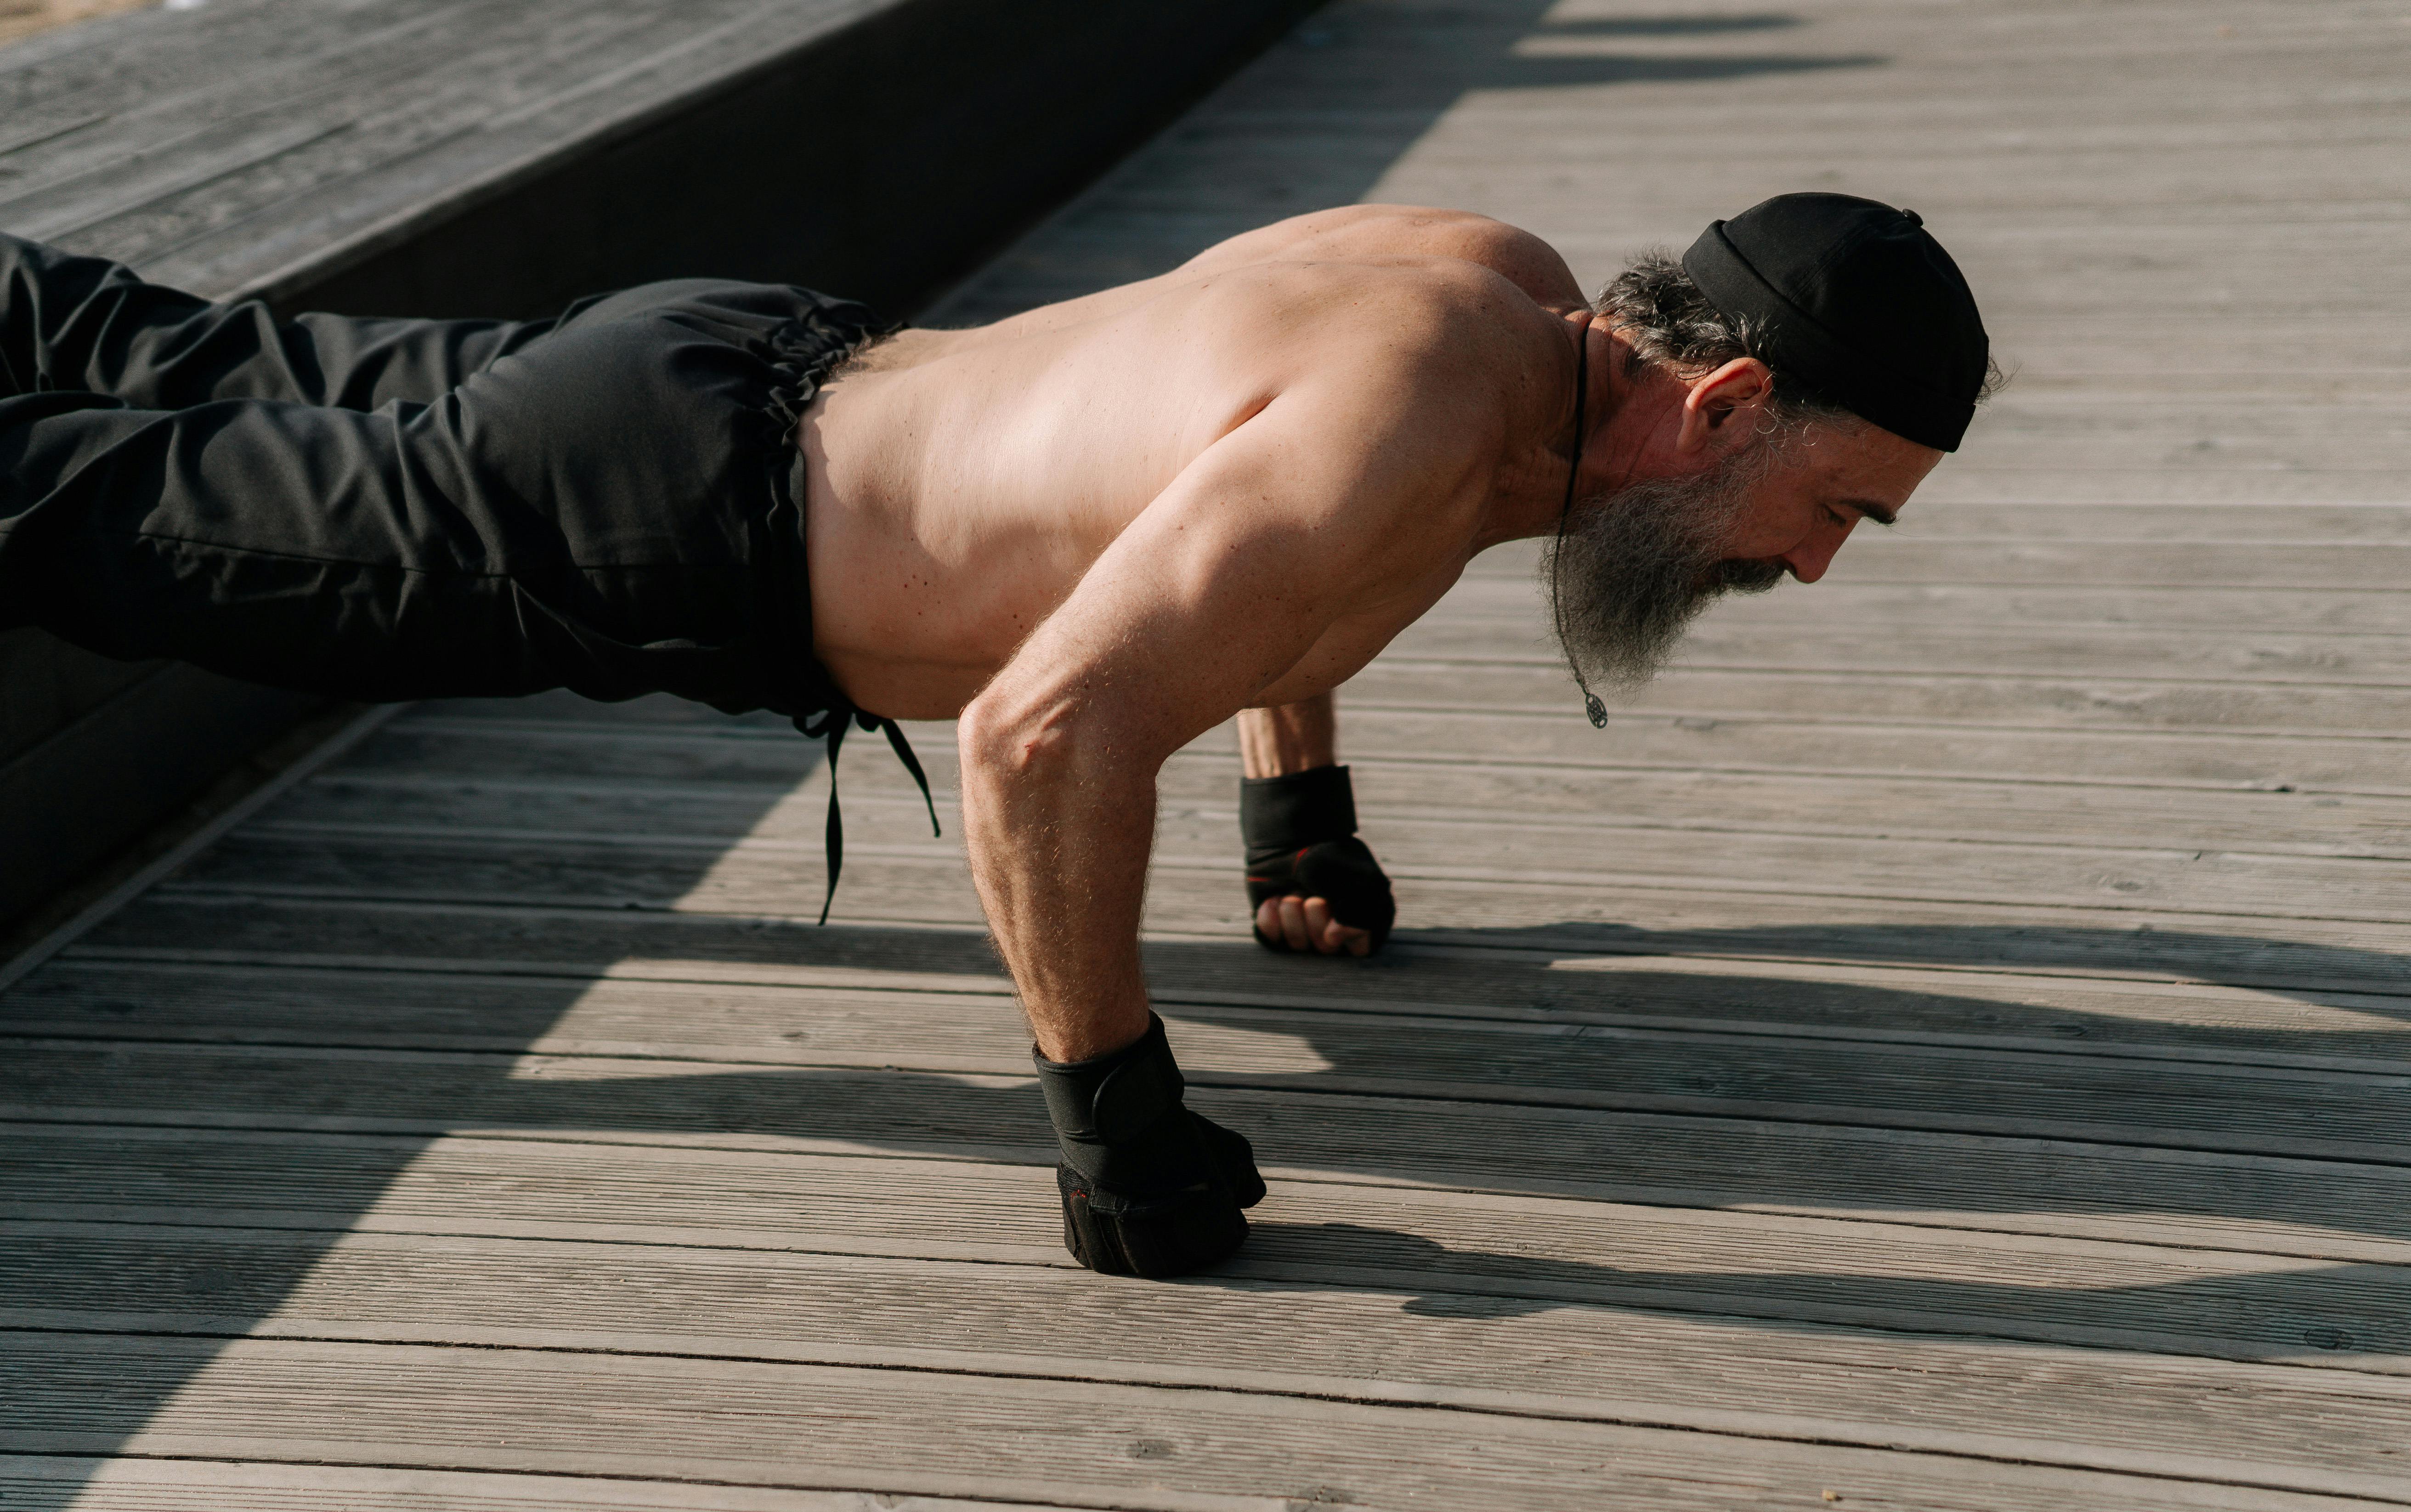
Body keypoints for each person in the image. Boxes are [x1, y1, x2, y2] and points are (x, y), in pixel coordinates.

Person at [0, 193, 1993, 1277]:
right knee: (81, 516)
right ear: (1726, 403)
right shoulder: (1422, 426)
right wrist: (1111, 1118)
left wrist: (1292, 807)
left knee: (158, 362)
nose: (1809, 567)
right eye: (1833, 509)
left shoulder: (1502, 294)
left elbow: (1242, 541)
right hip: (670, 518)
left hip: (736, 361)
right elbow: (1042, 733)